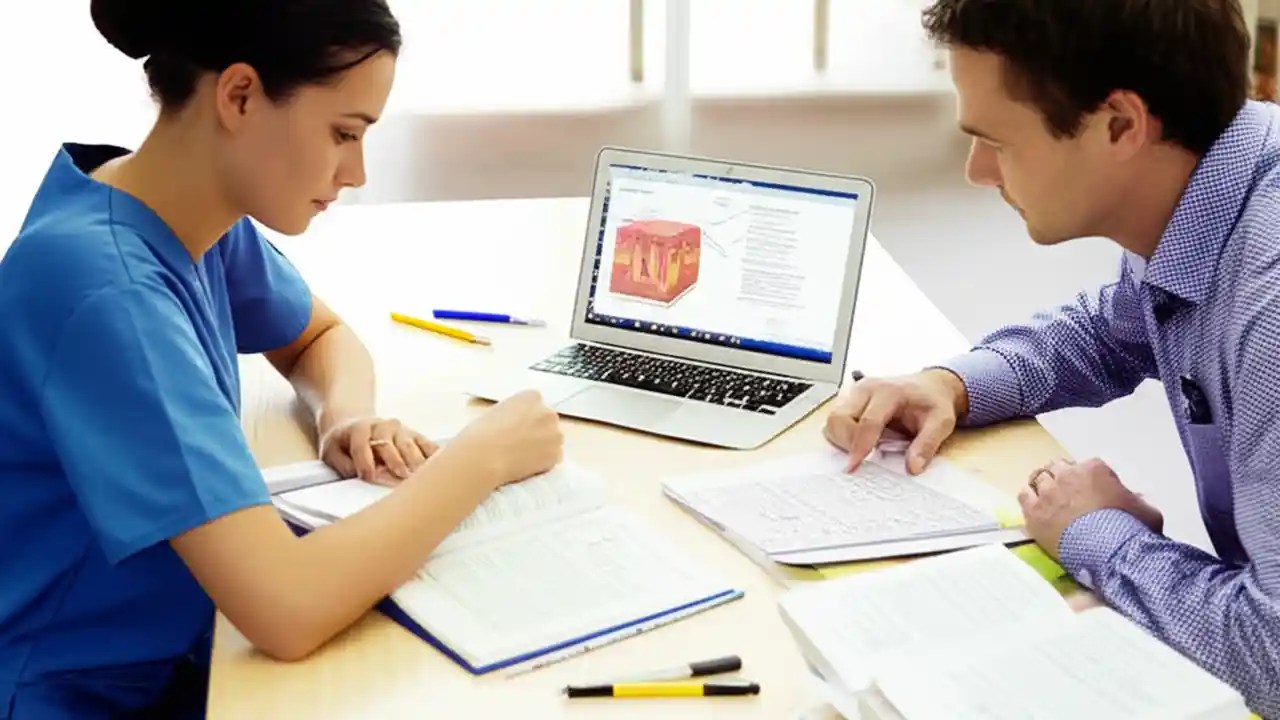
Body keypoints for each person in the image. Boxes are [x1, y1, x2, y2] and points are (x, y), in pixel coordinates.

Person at [0, 2, 563, 717]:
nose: (356, 172)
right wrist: (482, 457)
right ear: (239, 95)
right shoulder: (107, 290)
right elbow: (286, 607)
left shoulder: (183, 214)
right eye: (344, 133)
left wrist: (345, 417)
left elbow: (319, 336)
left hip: (175, 654)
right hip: (76, 695)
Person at [824, 0, 1280, 712]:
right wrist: (951, 385)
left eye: (995, 140)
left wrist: (1097, 535)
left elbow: (1274, 656)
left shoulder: (1269, 302)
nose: (977, 171)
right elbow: (1111, 331)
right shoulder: (1214, 183)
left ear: (1120, 124)